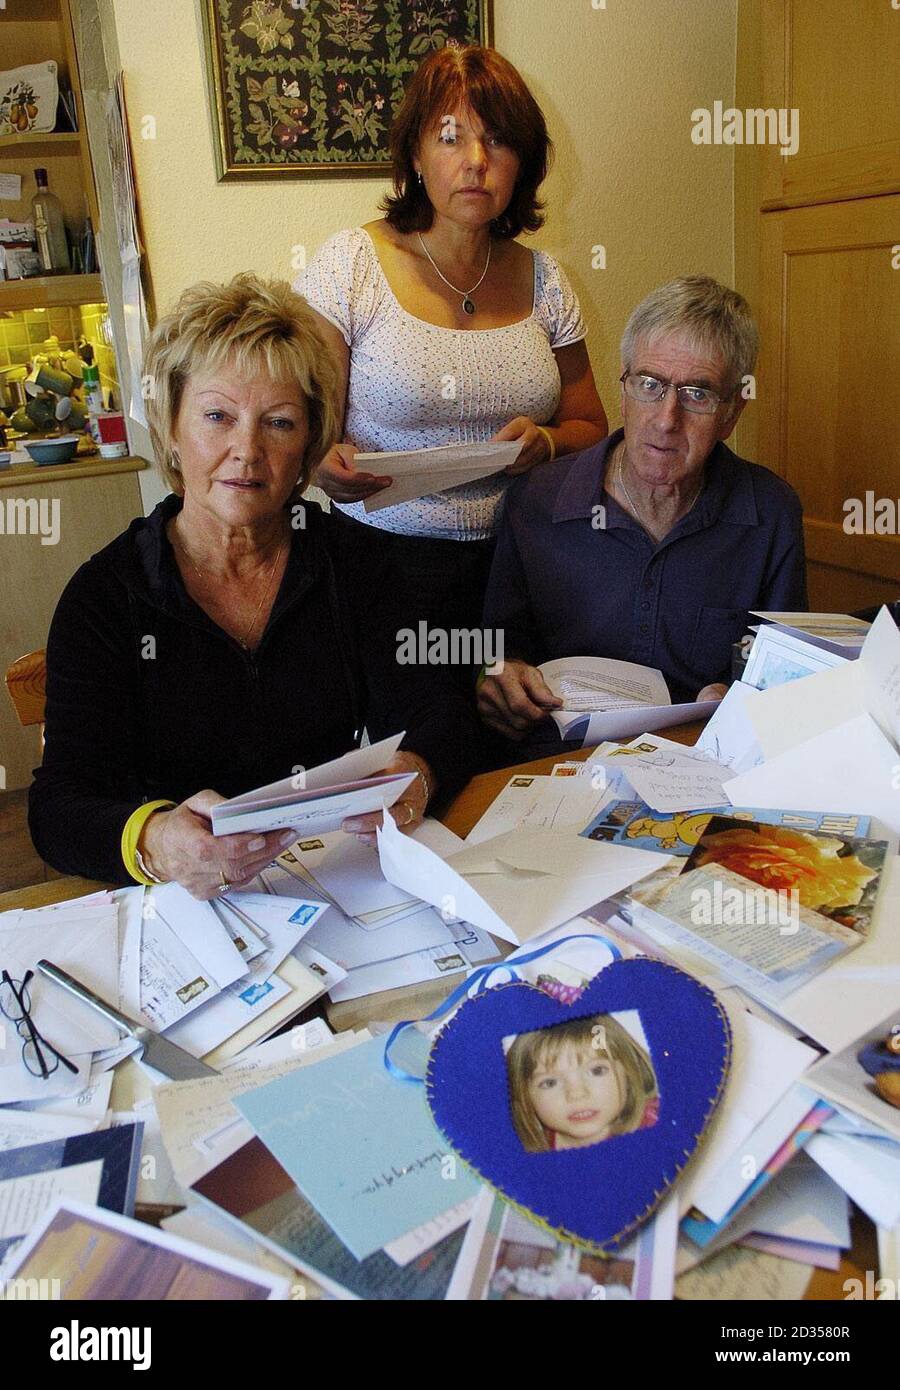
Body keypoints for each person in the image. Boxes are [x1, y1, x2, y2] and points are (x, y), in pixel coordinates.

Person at [29, 274, 486, 898]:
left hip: (331, 882)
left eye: (278, 423)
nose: (247, 451)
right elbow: (57, 809)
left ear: (309, 447)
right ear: (171, 427)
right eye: (218, 415)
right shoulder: (106, 597)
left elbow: (441, 711)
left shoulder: (353, 564)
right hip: (178, 903)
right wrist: (155, 841)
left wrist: (419, 771)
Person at [296, 43, 607, 654]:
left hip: (522, 561)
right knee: (425, 745)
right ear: (415, 153)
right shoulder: (351, 264)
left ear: (523, 162)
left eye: (496, 140)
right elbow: (304, 425)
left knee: (523, 737)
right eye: (449, 138)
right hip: (382, 565)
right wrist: (319, 464)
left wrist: (545, 442)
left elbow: (591, 424)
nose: (475, 161)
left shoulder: (548, 281)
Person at [478, 276, 807, 752]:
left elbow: (788, 682)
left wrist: (744, 704)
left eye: (698, 393)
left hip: (703, 762)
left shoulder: (771, 512)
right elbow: (494, 645)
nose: (666, 418)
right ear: (624, 389)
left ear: (732, 412)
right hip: (555, 766)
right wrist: (496, 672)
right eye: (650, 385)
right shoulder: (538, 500)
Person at [506, 1015, 659, 1153]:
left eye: (597, 1071)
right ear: (524, 1096)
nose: (577, 1094)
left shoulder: (658, 1130)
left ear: (629, 1070)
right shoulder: (518, 1155)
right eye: (550, 1082)